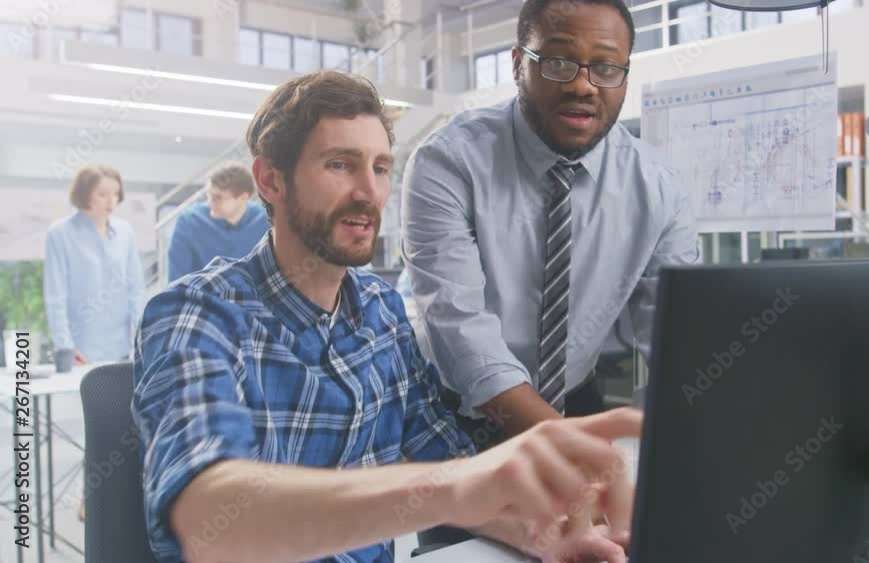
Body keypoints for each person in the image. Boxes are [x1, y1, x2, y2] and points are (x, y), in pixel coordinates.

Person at [133, 70, 639, 563]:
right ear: (270, 180)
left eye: (379, 167)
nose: (368, 192)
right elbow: (209, 521)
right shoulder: (197, 314)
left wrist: (543, 539)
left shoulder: (380, 310)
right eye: (340, 164)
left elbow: (440, 459)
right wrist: (458, 486)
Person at [402, 0, 698, 439]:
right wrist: (570, 452)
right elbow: (460, 328)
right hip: (451, 410)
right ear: (519, 63)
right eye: (559, 62)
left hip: (571, 398)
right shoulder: (448, 162)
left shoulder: (659, 186)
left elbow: (677, 337)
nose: (583, 85)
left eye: (606, 67)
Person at [44, 164, 144, 366]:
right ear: (85, 194)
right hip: (81, 352)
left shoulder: (125, 232)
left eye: (116, 194)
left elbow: (136, 289)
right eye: (102, 194)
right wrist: (65, 346)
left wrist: (144, 337)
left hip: (122, 350)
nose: (111, 201)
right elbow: (55, 296)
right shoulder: (60, 234)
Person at [166, 162, 270, 281]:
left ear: (243, 198)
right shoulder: (189, 222)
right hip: (201, 298)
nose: (210, 203)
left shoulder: (266, 222)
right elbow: (178, 279)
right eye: (209, 195)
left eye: (217, 198)